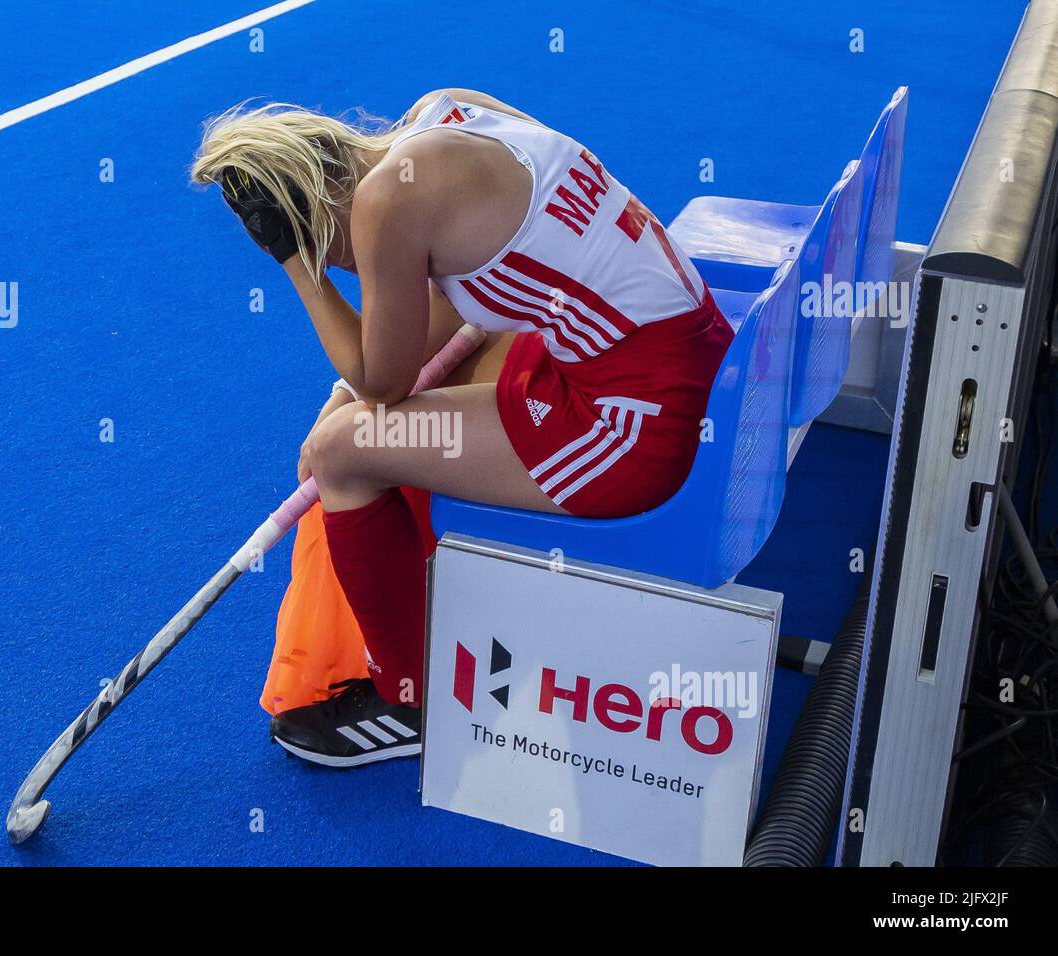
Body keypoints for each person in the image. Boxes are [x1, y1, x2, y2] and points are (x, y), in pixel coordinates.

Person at [191, 89, 733, 767]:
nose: (343, 266)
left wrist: (299, 272)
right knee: (408, 399)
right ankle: (436, 607)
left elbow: (382, 384)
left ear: (311, 215)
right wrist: (344, 392)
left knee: (341, 454)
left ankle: (410, 701)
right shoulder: (445, 112)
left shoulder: (387, 204)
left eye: (331, 256)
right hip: (694, 350)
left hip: (633, 426)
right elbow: (443, 306)